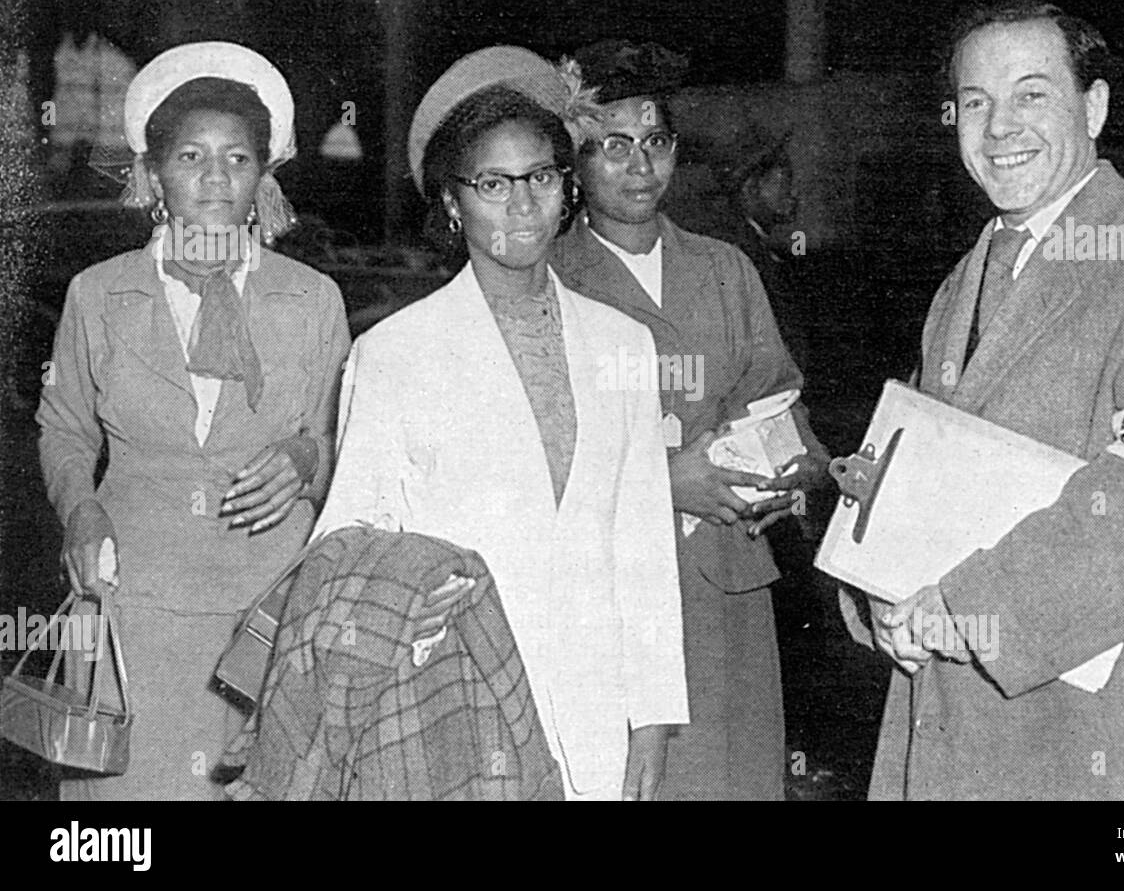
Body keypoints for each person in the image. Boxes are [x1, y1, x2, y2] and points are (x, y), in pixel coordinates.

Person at [839, 0, 1124, 799]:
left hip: (1115, 744)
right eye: (976, 102)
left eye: (1031, 94)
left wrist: (964, 610)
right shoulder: (957, 287)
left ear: (1096, 106)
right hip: (959, 730)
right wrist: (875, 592)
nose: (1000, 126)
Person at [311, 46, 689, 801]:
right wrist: (411, 605)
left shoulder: (623, 345)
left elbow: (643, 544)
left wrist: (651, 722)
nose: (522, 205)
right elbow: (343, 548)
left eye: (541, 178)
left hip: (593, 710)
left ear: (568, 189)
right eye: (492, 183)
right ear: (452, 202)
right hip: (451, 702)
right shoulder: (394, 354)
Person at [37, 41, 351, 800]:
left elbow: (352, 448)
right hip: (131, 610)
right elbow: (67, 428)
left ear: (262, 179)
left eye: (238, 159)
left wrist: (309, 460)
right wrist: (80, 508)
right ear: (153, 176)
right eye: (190, 156)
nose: (215, 178)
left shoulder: (313, 301)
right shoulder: (97, 295)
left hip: (271, 615)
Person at [552, 39, 831, 800]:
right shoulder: (549, 279)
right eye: (612, 146)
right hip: (605, 587)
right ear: (573, 162)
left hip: (725, 580)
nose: (639, 166)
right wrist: (661, 480)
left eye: (654, 142)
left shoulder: (724, 268)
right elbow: (528, 454)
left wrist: (798, 466)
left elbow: (778, 399)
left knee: (731, 779)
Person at [706, 127, 808, 366]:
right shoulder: (737, 255)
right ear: (752, 188)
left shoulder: (751, 245)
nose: (794, 193)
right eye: (785, 181)